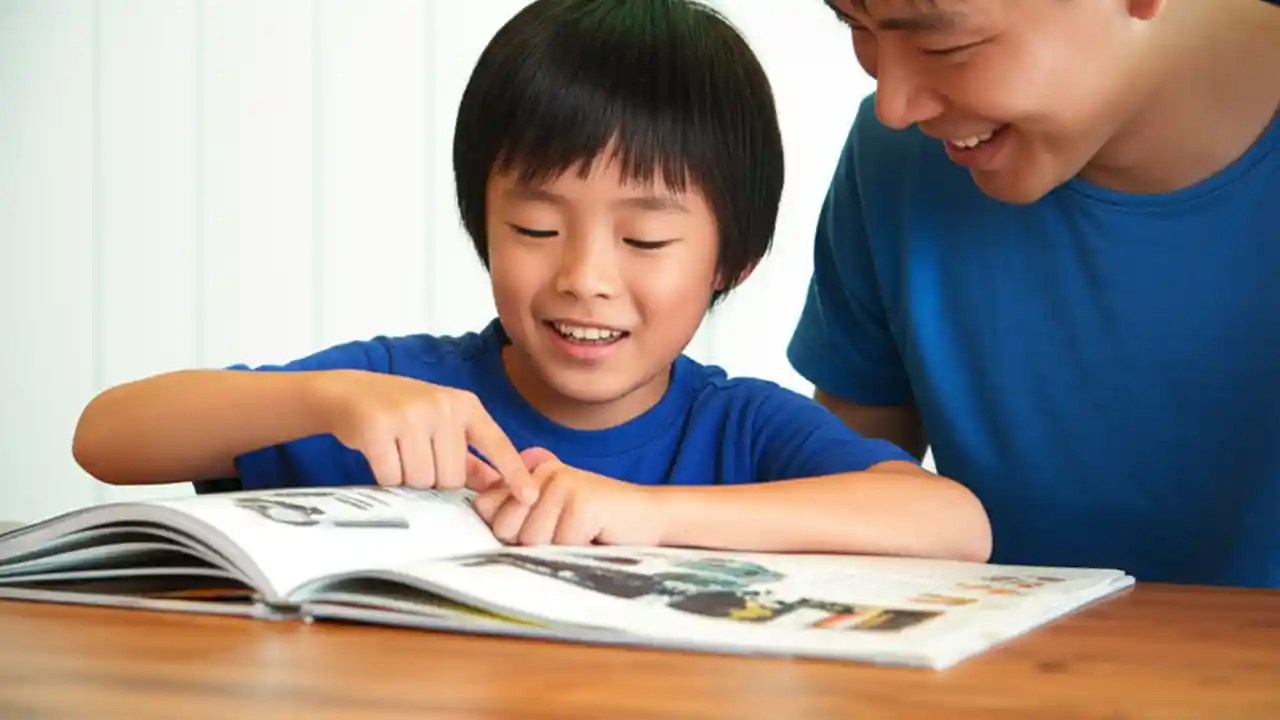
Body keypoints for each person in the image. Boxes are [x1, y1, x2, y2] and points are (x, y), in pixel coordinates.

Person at [72, 0, 991, 561]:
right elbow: (106, 437)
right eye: (536, 227)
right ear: (482, 223)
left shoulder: (740, 430)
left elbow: (955, 527)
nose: (584, 278)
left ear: (733, 259)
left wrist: (639, 513)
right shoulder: (401, 393)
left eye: (644, 239)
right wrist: (330, 398)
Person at [790, 0, 1279, 586]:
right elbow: (836, 534)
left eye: (944, 46)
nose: (894, 106)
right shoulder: (895, 162)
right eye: (857, 26)